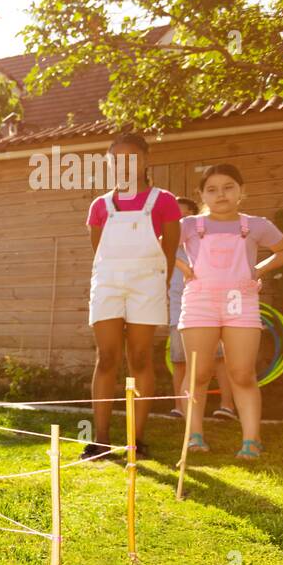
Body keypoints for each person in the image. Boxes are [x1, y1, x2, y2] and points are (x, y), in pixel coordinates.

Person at [176, 164, 283, 459]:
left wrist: (257, 269)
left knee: (242, 373)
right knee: (199, 373)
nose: (220, 194)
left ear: (241, 192)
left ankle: (252, 440)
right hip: (200, 302)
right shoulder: (189, 226)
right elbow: (159, 246)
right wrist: (185, 269)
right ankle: (194, 436)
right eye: (211, 189)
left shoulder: (256, 225)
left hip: (242, 302)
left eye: (228, 187)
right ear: (201, 194)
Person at [85, 133, 181, 461]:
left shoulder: (163, 200)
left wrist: (157, 284)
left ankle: (136, 440)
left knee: (140, 358)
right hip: (108, 285)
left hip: (147, 287)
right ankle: (100, 441)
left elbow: (169, 250)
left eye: (132, 158)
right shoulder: (100, 206)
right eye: (117, 160)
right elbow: (99, 249)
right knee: (107, 357)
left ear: (146, 161)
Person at [168, 196, 236, 422]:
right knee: (179, 360)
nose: (180, 220)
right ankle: (180, 406)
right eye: (175, 216)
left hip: (210, 306)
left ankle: (227, 406)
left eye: (184, 215)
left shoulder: (205, 239)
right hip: (179, 308)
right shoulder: (170, 243)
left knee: (218, 358)